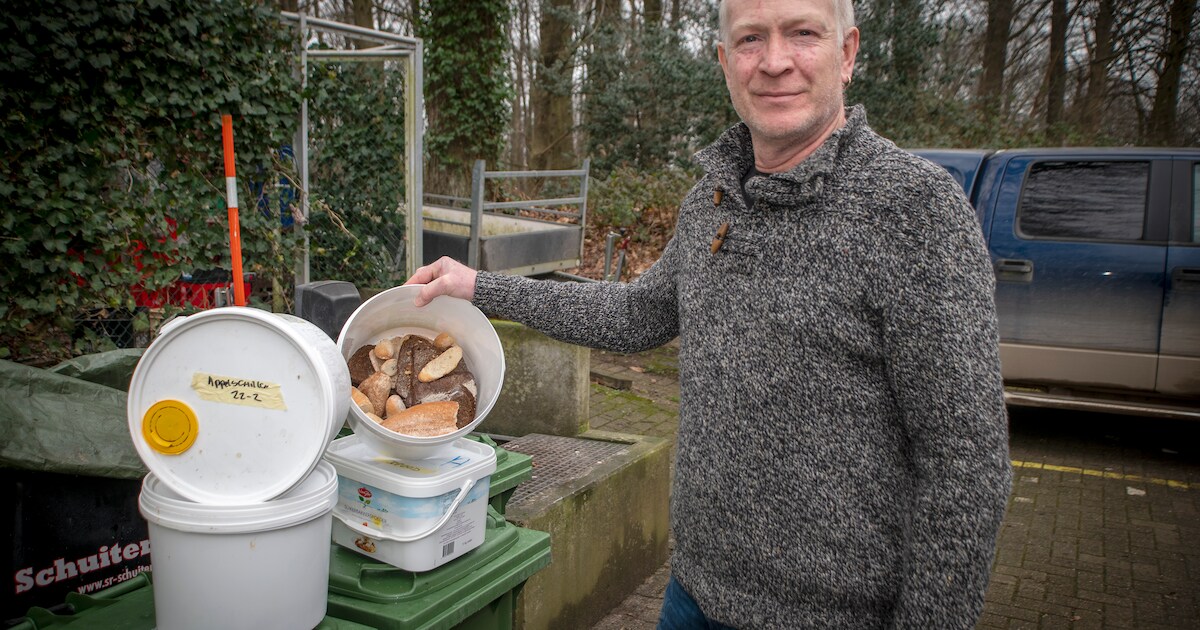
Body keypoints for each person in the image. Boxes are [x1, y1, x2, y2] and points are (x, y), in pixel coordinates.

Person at [406, 0, 1012, 626]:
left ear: (848, 53)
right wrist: (479, 286)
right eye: (750, 39)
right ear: (725, 62)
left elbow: (965, 463)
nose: (775, 62)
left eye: (803, 33)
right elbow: (637, 314)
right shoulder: (714, 200)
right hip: (692, 596)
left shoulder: (915, 210)